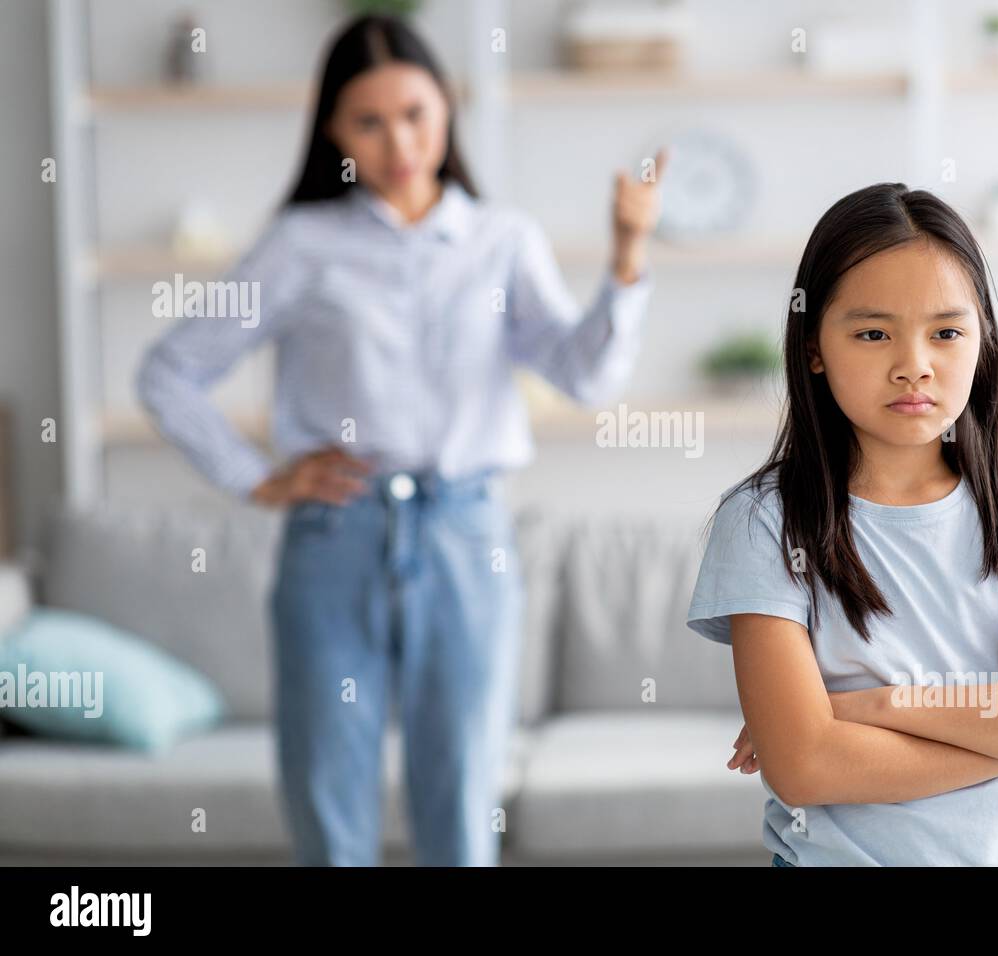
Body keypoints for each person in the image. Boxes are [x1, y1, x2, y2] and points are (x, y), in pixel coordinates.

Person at [136, 14, 664, 866]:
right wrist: (256, 478)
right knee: (325, 785)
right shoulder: (300, 245)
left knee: (459, 789)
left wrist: (629, 255)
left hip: (466, 535)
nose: (398, 142)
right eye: (368, 121)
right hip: (335, 534)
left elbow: (585, 376)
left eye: (416, 113)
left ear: (447, 112)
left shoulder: (501, 242)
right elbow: (168, 372)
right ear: (333, 131)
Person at [685, 183, 998, 866]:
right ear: (813, 349)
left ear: (983, 340)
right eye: (872, 333)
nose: (913, 366)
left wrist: (869, 708)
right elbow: (805, 766)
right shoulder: (764, 522)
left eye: (946, 332)